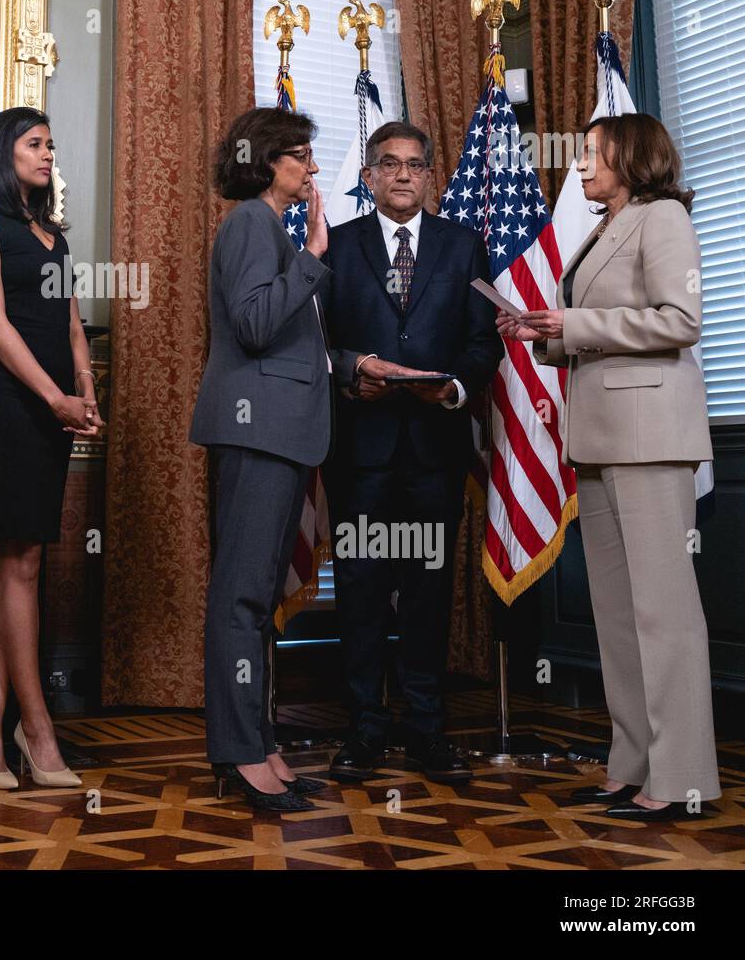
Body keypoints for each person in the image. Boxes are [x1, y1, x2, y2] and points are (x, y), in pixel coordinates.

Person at [188, 106, 416, 813]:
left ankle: (259, 742)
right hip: (259, 430)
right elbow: (256, 324)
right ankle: (239, 751)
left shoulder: (268, 227)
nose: (314, 169)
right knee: (243, 598)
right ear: (268, 159)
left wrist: (346, 367)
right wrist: (315, 256)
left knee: (255, 602)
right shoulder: (252, 223)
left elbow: (294, 341)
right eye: (302, 157)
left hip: (282, 431)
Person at [500, 113, 718, 821]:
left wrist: (578, 325)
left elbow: (680, 319)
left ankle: (682, 773)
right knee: (619, 616)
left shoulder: (663, 219)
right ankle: (633, 762)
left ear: (632, 156)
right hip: (595, 439)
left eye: (593, 154)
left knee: (665, 615)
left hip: (651, 438)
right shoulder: (602, 227)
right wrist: (544, 333)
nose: (582, 165)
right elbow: (598, 327)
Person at [323, 121, 502, 785]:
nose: (402, 175)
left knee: (428, 593)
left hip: (434, 449)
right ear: (369, 177)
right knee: (362, 593)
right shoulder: (335, 247)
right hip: (360, 452)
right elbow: (315, 339)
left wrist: (454, 385)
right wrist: (351, 368)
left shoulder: (465, 246)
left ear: (431, 176)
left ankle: (427, 728)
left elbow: (485, 341)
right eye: (389, 164)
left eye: (415, 165)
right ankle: (365, 726)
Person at [0, 107, 103, 790]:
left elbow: (70, 319)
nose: (48, 154)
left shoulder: (51, 233)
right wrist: (52, 398)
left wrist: (86, 386)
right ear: (2, 151)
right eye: (35, 143)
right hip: (4, 403)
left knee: (10, 562)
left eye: (51, 143)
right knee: (19, 560)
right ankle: (35, 728)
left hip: (52, 403)